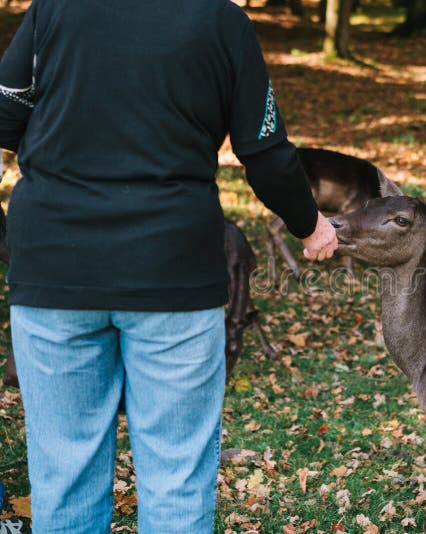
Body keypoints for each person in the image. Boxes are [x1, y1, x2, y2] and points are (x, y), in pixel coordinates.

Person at [0, 1, 337, 532]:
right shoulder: (219, 19)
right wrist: (310, 224)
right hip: (172, 271)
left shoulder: (54, 9)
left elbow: (6, 113)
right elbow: (266, 152)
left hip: (56, 263)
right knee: (177, 476)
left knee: (64, 474)